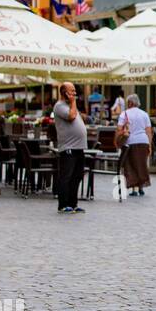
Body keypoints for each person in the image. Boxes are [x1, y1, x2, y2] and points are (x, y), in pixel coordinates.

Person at [54, 82, 88, 215]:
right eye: (71, 91)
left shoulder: (70, 105)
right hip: (68, 147)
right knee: (66, 176)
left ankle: (73, 204)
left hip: (78, 147)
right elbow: (71, 116)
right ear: (64, 93)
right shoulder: (59, 106)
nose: (74, 93)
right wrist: (73, 102)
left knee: (77, 176)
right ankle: (63, 205)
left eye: (74, 91)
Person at [118, 94, 153, 197]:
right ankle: (141, 187)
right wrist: (149, 145)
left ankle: (134, 189)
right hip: (143, 141)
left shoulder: (124, 114)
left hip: (130, 141)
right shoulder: (145, 114)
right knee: (141, 165)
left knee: (130, 165)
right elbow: (149, 131)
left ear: (130, 103)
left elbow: (119, 129)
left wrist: (119, 138)